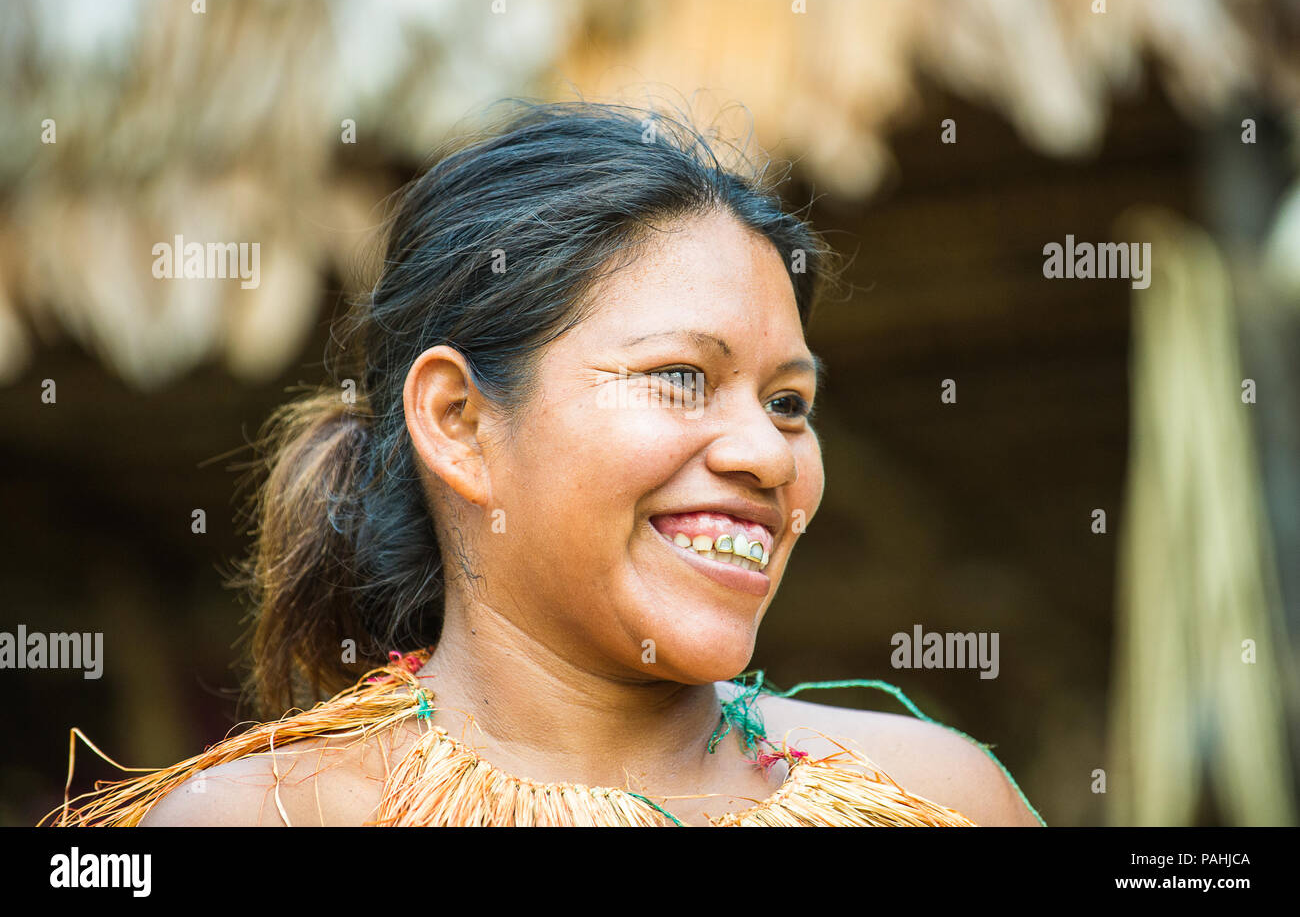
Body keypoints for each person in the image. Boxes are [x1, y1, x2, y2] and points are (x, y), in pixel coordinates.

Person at [48, 100, 1044, 827]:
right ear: (458, 421)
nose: (763, 453)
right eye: (679, 377)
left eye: (788, 401)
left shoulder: (937, 796)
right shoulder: (263, 819)